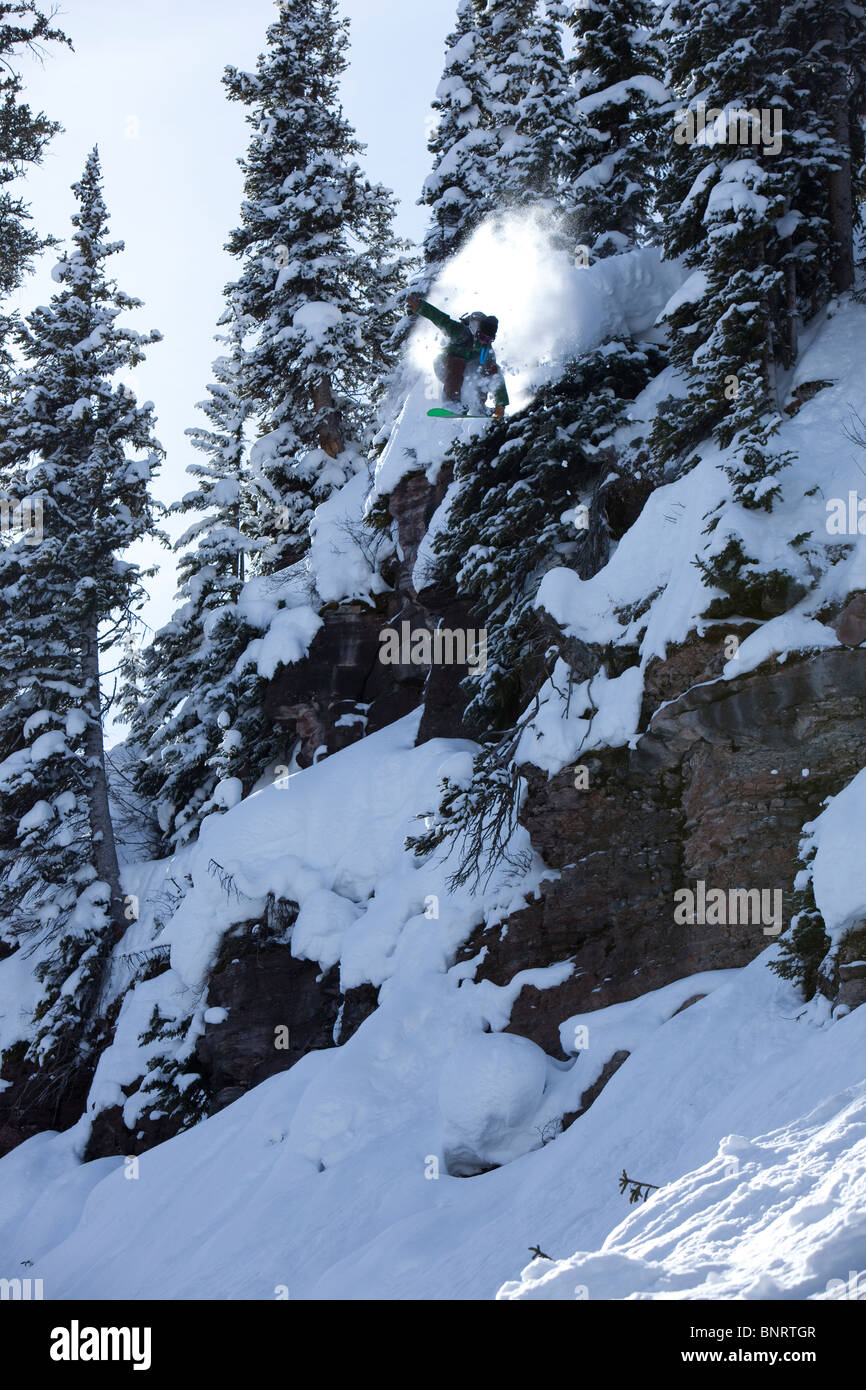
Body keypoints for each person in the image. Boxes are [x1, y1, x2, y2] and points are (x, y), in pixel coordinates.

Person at [407, 292, 508, 418]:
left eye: (488, 340)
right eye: (482, 337)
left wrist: (500, 404)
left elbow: (495, 376)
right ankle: (451, 403)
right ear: (476, 331)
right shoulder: (461, 333)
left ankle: (478, 407)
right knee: (458, 363)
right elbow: (441, 319)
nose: (484, 342)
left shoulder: (486, 350)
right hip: (445, 366)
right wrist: (421, 307)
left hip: (467, 372)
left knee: (487, 370)